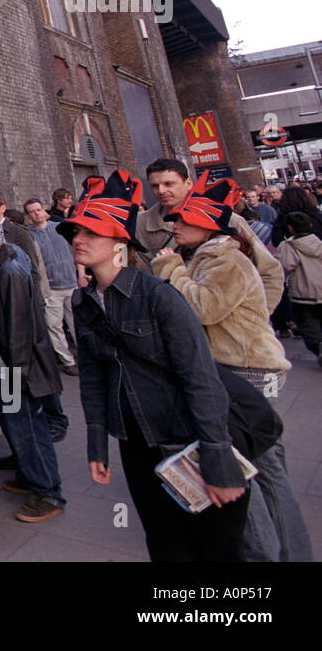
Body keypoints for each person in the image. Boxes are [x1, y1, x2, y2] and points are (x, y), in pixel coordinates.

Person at [59, 171, 250, 561]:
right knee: (164, 545)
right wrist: (97, 442)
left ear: (119, 243)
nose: (78, 240)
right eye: (76, 232)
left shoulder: (158, 296)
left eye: (90, 233)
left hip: (186, 436)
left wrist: (217, 453)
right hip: (137, 443)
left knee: (215, 549)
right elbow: (93, 379)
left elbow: (199, 376)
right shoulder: (82, 304)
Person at [152, 173, 314, 562]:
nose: (173, 226)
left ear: (205, 225)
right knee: (264, 466)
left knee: (257, 470)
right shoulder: (207, 255)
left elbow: (204, 307)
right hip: (236, 367)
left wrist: (172, 269)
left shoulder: (225, 258)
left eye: (181, 221)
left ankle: (279, 553)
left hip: (246, 370)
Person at [0, 213, 65, 522]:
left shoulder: (9, 271)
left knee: (29, 429)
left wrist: (14, 376)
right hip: (2, 366)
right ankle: (28, 474)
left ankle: (48, 493)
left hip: (16, 371)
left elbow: (19, 330)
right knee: (17, 427)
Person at [137, 158, 283, 312]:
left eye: (169, 184)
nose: (161, 191)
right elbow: (145, 278)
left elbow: (269, 270)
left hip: (227, 322)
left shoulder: (227, 220)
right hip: (177, 319)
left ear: (188, 183)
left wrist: (257, 318)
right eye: (155, 186)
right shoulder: (142, 224)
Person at [24, 197, 80, 374]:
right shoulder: (29, 236)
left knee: (78, 323)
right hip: (51, 288)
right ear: (28, 215)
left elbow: (76, 250)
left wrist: (82, 273)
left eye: (38, 210)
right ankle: (68, 360)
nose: (36, 214)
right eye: (32, 211)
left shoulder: (60, 228)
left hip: (71, 282)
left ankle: (86, 355)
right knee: (54, 326)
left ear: (44, 210)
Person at [279, 211, 322, 363]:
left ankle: (319, 347)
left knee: (308, 327)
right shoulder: (318, 243)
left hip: (302, 293)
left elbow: (285, 266)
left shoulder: (287, 246)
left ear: (290, 228)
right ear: (310, 225)